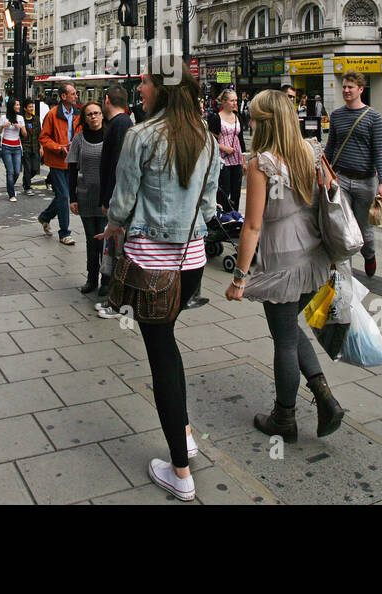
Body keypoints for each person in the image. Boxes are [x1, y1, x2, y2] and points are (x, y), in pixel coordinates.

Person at [100, 72, 221, 501]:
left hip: (151, 263)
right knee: (167, 340)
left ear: (164, 89)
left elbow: (124, 197)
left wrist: (114, 225)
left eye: (146, 84)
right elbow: (209, 202)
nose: (140, 91)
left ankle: (181, 472)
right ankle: (184, 434)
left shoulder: (141, 135)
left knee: (162, 356)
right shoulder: (205, 137)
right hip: (191, 263)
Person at [224, 89, 343, 441]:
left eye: (254, 118)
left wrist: (239, 277)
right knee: (291, 329)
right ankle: (325, 398)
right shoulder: (310, 151)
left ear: (263, 123)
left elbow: (253, 225)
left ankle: (284, 417)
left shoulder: (260, 164)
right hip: (315, 256)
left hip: (283, 261)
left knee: (284, 341)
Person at [325, 70, 382, 277]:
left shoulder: (374, 118)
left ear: (361, 89)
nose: (346, 90)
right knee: (343, 228)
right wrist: (324, 170)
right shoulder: (336, 115)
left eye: (350, 87)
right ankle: (345, 274)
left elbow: (379, 152)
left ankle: (369, 255)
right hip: (341, 178)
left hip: (365, 181)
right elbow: (331, 147)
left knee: (364, 230)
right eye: (344, 87)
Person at [68, 101, 107, 295]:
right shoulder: (79, 139)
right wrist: (72, 197)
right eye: (90, 114)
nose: (94, 117)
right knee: (92, 241)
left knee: (105, 242)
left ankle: (107, 280)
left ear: (102, 115)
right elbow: (72, 169)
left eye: (97, 113)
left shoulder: (110, 137)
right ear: (84, 118)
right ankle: (92, 278)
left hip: (105, 198)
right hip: (85, 196)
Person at [38, 82, 81, 245]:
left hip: (73, 161)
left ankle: (45, 216)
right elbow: (43, 138)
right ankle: (64, 232)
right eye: (73, 94)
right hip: (57, 161)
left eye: (76, 93)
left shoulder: (78, 114)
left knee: (64, 195)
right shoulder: (52, 114)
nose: (76, 96)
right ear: (63, 96)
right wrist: (58, 147)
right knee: (63, 196)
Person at [207, 88, 247, 213]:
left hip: (237, 159)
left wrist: (244, 161)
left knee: (236, 191)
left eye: (236, 100)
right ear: (223, 102)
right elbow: (209, 140)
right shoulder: (215, 118)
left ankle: (235, 215)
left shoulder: (238, 117)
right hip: (222, 160)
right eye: (231, 100)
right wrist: (224, 148)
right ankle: (223, 215)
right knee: (224, 190)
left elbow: (241, 140)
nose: (235, 103)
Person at [0, 98, 26, 202]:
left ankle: (10, 186)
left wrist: (21, 127)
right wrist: (3, 126)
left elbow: (25, 134)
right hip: (6, 146)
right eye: (17, 105)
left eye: (19, 104)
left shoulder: (20, 118)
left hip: (17, 147)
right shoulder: (4, 118)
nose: (18, 106)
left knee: (17, 172)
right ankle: (11, 193)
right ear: (12, 106)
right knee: (10, 171)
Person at [20, 99, 42, 195]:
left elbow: (40, 134)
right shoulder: (21, 120)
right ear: (25, 108)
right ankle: (27, 187)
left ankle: (25, 180)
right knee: (28, 168)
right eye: (29, 107)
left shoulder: (36, 119)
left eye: (32, 107)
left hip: (35, 146)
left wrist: (41, 147)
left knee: (35, 169)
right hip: (25, 146)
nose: (31, 108)